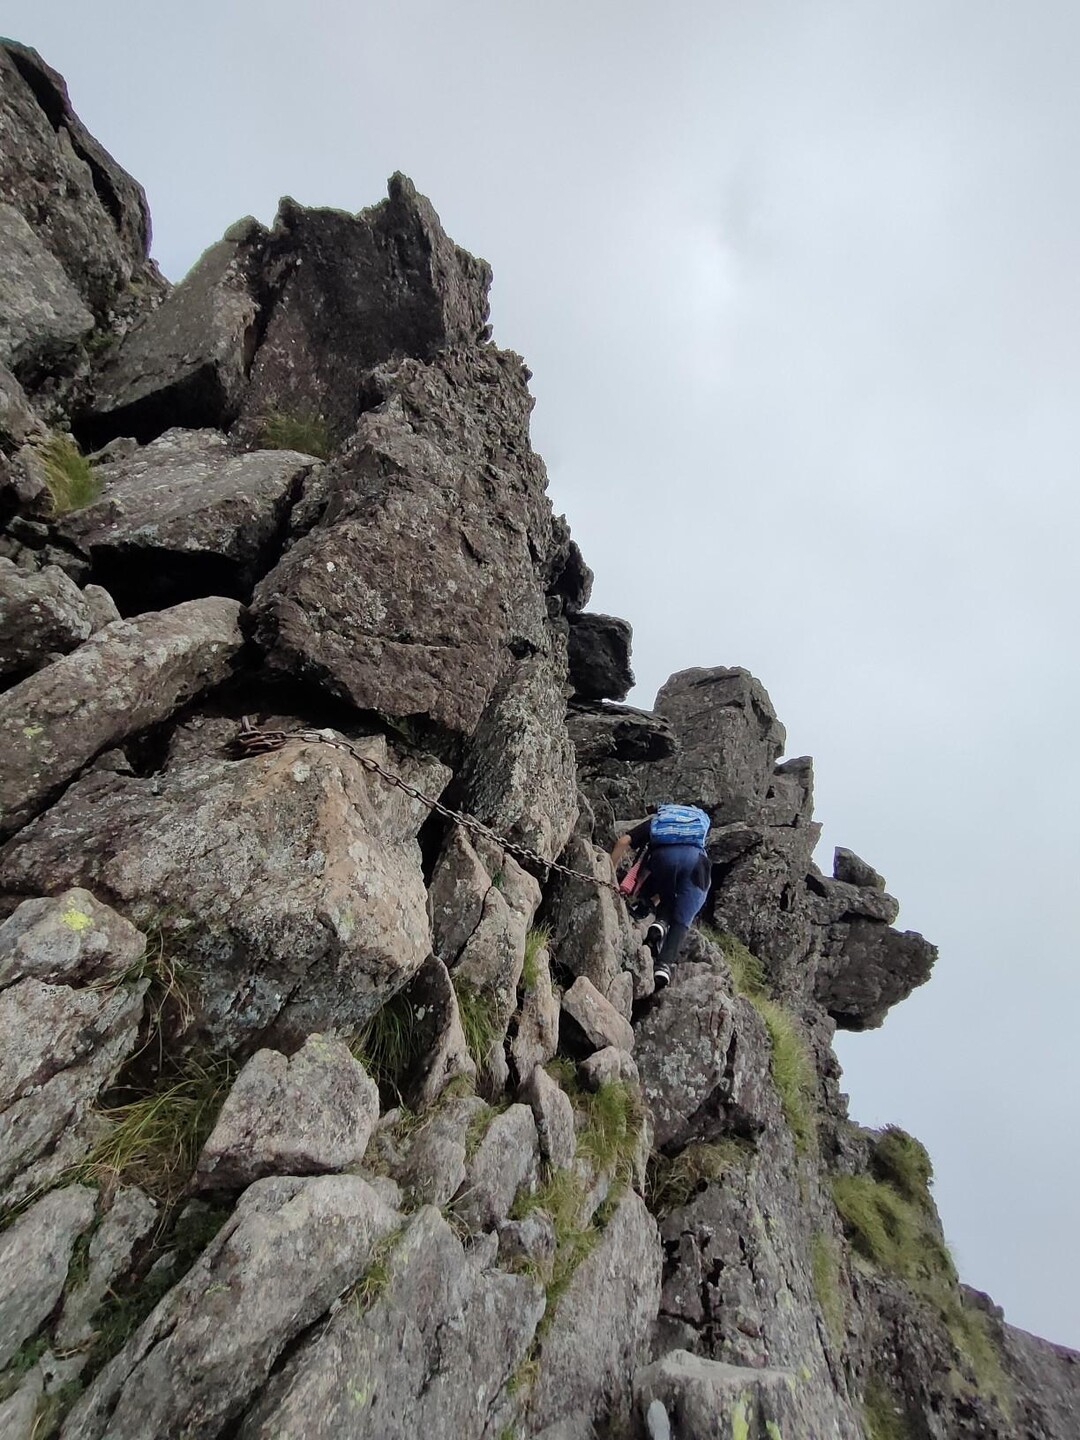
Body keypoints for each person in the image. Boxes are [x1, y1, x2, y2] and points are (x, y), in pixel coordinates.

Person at [610, 804, 712, 989]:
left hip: (662, 858)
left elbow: (623, 841)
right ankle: (663, 965)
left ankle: (660, 923)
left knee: (666, 889)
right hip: (697, 863)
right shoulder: (696, 833)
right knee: (684, 916)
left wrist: (608, 871)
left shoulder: (660, 822)